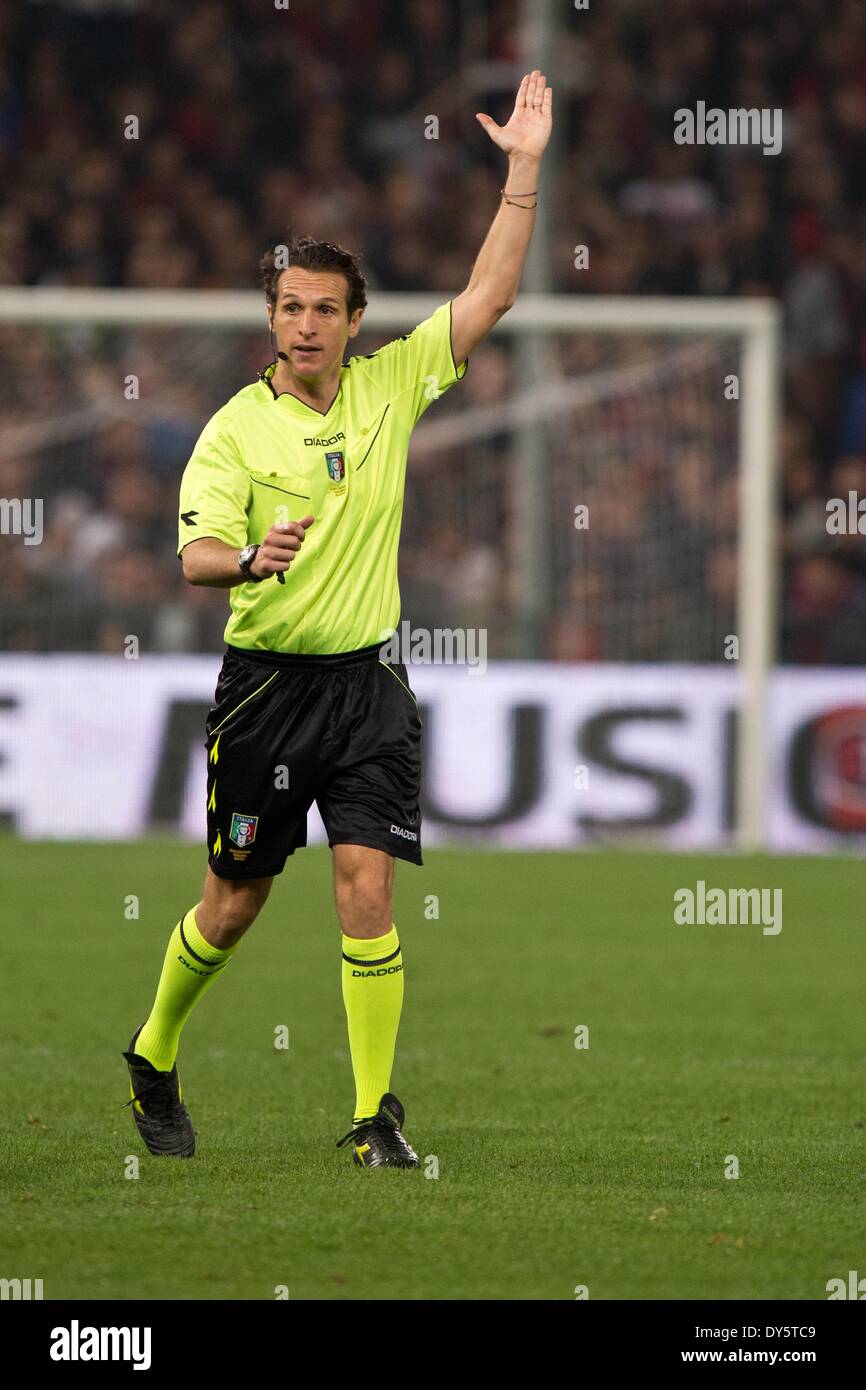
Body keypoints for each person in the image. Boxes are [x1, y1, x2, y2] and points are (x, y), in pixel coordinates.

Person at [122, 70, 553, 1168]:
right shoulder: (232, 432)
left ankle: (373, 1119)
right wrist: (246, 559)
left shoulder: (389, 385)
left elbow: (488, 300)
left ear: (354, 324)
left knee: (364, 887)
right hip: (264, 689)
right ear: (269, 319)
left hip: (366, 686)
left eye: (323, 309)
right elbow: (193, 556)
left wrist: (522, 171)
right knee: (231, 906)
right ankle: (154, 1049)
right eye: (288, 307)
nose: (304, 324)